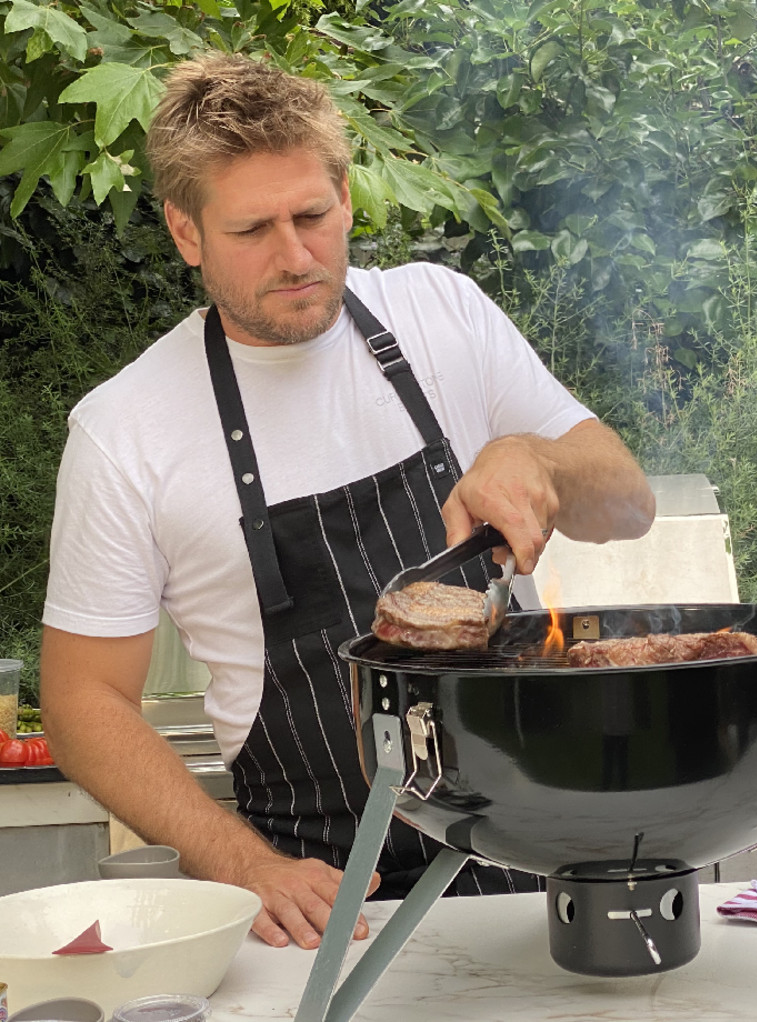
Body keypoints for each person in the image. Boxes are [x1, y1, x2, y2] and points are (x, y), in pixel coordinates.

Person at [39, 52, 655, 952]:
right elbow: (82, 702)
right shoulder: (125, 430)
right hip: (331, 905)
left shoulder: (444, 313)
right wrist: (243, 866)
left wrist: (540, 461)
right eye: (253, 229)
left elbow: (629, 505)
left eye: (314, 216)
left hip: (544, 858)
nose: (295, 256)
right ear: (185, 232)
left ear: (347, 199)